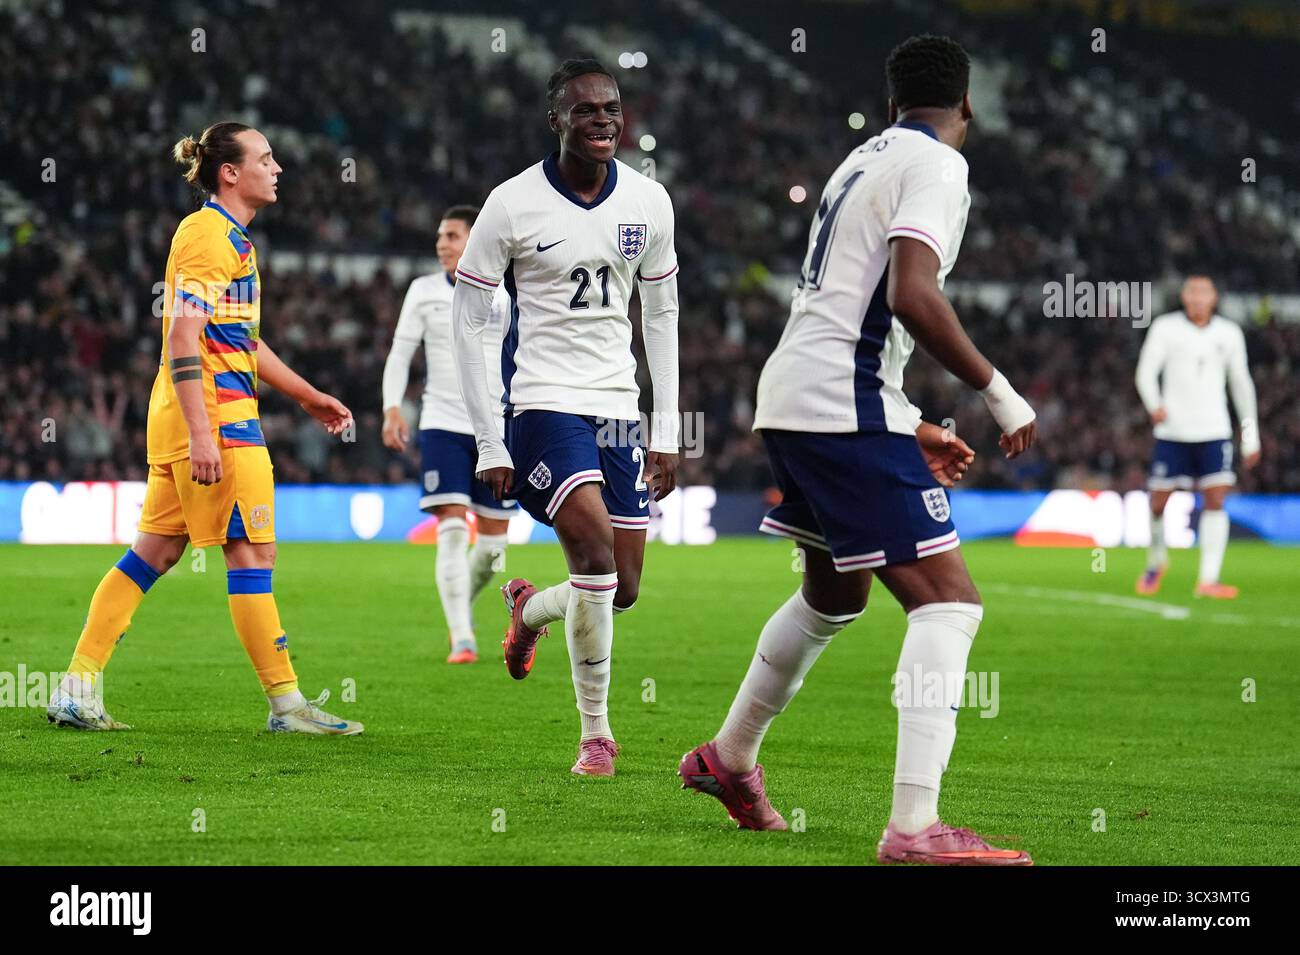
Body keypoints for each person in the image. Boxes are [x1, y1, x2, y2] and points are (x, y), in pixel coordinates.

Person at [678, 35, 1036, 865]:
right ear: (967, 105)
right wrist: (997, 388)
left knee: (834, 595)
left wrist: (904, 417)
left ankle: (729, 759)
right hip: (839, 403)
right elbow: (912, 295)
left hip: (802, 397)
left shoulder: (857, 160)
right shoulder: (940, 165)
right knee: (949, 602)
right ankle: (914, 827)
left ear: (888, 103)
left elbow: (853, 306)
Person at [47, 122, 362, 735]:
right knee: (252, 552)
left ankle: (76, 688)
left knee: (155, 552)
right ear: (231, 173)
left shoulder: (229, 239)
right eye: (266, 159)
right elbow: (183, 334)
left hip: (188, 415)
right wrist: (201, 435)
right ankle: (288, 706)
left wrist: (306, 396)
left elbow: (239, 339)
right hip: (216, 421)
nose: (278, 169)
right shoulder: (209, 236)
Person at [451, 59, 680, 776]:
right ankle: (596, 736)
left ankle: (526, 611)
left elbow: (664, 313)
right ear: (556, 120)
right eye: (585, 110)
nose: (603, 119)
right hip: (544, 404)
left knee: (624, 587)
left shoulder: (650, 202)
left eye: (611, 107)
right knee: (592, 553)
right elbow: (468, 319)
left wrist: (667, 427)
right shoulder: (512, 204)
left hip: (619, 409)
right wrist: (489, 435)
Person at [381, 205, 517, 663]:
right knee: (454, 530)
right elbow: (401, 353)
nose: (443, 243)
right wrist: (391, 407)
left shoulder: (508, 292)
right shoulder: (422, 291)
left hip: (497, 425)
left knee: (495, 549)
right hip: (441, 423)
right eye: (440, 235)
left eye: (453, 235)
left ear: (476, 239)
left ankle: (463, 604)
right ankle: (462, 636)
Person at [1135, 275, 1260, 598]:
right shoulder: (1165, 327)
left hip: (1214, 430)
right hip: (1173, 430)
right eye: (1192, 291)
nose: (1198, 297)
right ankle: (1156, 560)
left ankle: (1208, 579)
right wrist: (1154, 405)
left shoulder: (1229, 334)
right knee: (1159, 502)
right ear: (1183, 296)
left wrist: (1250, 434)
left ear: (1214, 297)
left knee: (1216, 499)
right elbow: (1146, 371)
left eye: (1204, 291)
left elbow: (1241, 384)